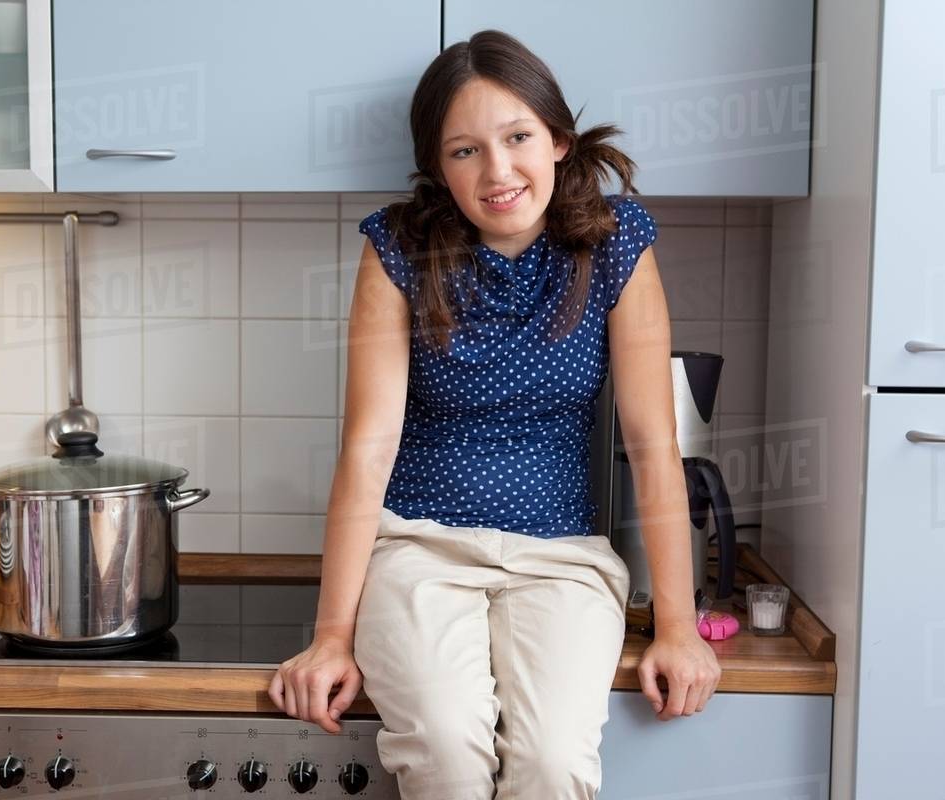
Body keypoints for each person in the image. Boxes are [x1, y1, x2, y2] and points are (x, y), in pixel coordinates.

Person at [268, 29, 721, 800]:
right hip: (418, 549)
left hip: (564, 561)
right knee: (444, 748)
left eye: (517, 138)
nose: (498, 170)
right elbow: (368, 449)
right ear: (439, 170)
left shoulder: (617, 247)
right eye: (464, 151)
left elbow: (653, 445)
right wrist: (332, 637)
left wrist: (677, 627)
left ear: (558, 142)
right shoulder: (398, 252)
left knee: (552, 763)